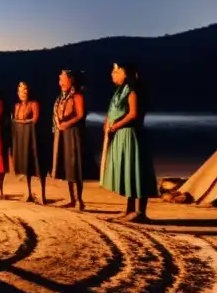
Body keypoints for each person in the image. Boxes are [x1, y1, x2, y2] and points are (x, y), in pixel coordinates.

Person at [101, 62, 158, 222]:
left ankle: (140, 212)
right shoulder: (120, 92)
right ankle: (129, 209)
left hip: (131, 135)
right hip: (121, 135)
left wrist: (116, 125)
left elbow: (133, 114)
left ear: (125, 73)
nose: (112, 74)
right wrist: (107, 122)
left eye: (115, 71)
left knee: (135, 170)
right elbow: (113, 111)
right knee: (127, 172)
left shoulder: (133, 91)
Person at [53, 69, 87, 211]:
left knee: (75, 166)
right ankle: (71, 199)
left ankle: (79, 200)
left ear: (70, 80)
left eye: (63, 77)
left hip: (73, 133)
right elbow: (56, 113)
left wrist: (67, 124)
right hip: (62, 133)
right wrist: (57, 124)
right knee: (67, 165)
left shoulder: (77, 96)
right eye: (60, 77)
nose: (60, 80)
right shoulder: (61, 97)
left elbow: (80, 115)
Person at [11, 81, 49, 204]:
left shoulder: (34, 104)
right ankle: (28, 192)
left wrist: (20, 122)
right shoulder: (17, 106)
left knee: (37, 163)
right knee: (25, 164)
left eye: (25, 89)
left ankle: (42, 194)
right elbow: (14, 120)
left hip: (33, 138)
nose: (23, 93)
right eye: (20, 90)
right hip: (22, 138)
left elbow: (34, 119)